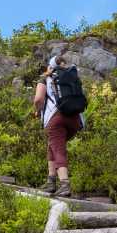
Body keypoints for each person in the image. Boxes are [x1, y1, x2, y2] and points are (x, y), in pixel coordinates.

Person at [33, 55, 86, 196]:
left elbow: (38, 99)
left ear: (50, 66)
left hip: (56, 119)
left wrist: (37, 110)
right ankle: (51, 181)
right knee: (53, 145)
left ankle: (64, 184)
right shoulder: (73, 78)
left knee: (58, 149)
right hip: (75, 120)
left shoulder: (46, 78)